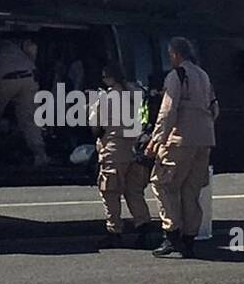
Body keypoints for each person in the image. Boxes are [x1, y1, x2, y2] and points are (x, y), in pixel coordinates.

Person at [147, 37, 218, 258]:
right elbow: (215, 109)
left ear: (175, 54)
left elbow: (168, 111)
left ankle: (172, 234)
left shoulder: (176, 75)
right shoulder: (203, 76)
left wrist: (157, 139)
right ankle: (189, 238)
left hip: (180, 141)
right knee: (191, 190)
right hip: (204, 140)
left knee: (163, 184)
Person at [92, 62, 152, 248]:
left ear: (109, 78)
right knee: (134, 192)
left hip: (114, 150)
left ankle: (114, 231)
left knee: (110, 192)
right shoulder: (136, 94)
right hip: (135, 150)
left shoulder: (106, 98)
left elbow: (96, 126)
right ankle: (144, 228)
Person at [0, 37, 48, 166]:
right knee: (30, 119)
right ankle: (40, 155)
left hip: (6, 77)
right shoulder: (19, 43)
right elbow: (33, 51)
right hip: (29, 76)